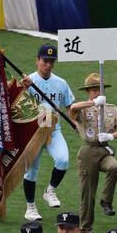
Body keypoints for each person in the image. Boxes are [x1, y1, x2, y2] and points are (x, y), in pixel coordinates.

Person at [68, 71, 117, 233]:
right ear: (88, 92)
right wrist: (93, 103)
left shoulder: (111, 109)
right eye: (94, 90)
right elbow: (72, 109)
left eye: (100, 89)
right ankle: (86, 230)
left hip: (104, 149)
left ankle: (106, 201)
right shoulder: (83, 109)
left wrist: (111, 136)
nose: (98, 92)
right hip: (88, 150)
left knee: (114, 167)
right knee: (88, 193)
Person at [22, 41, 74, 219]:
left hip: (54, 129)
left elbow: (70, 107)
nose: (48, 64)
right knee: (31, 170)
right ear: (37, 60)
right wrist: (23, 89)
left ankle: (50, 191)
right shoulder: (28, 81)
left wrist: (78, 122)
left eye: (52, 61)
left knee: (63, 160)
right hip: (33, 133)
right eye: (45, 61)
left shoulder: (61, 83)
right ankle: (30, 208)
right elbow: (17, 107)